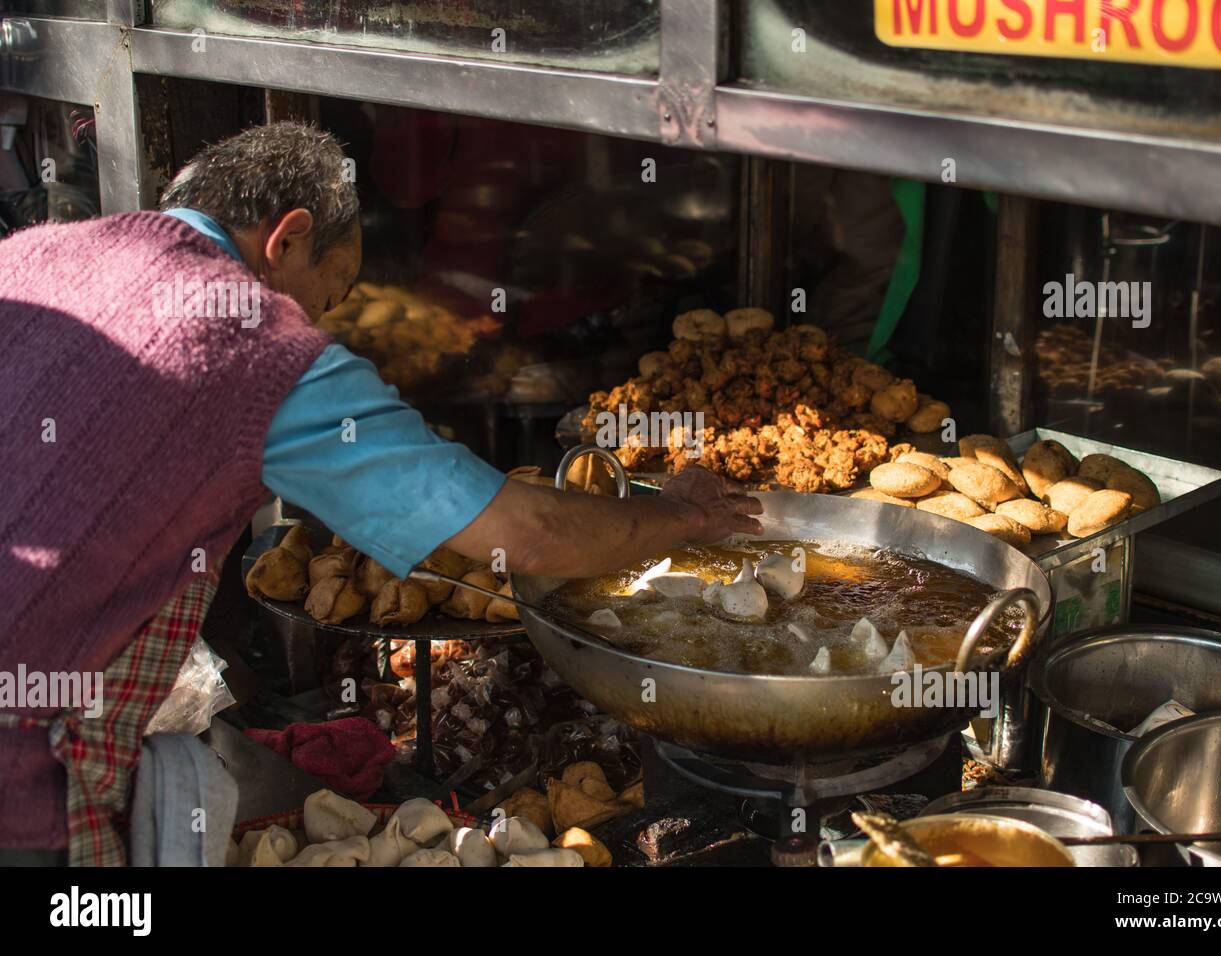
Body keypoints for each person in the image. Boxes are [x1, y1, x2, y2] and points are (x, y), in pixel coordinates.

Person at [0, 122, 761, 864]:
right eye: (325, 299)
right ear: (288, 237)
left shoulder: (33, 255)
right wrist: (680, 515)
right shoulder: (254, 344)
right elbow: (529, 534)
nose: (317, 324)